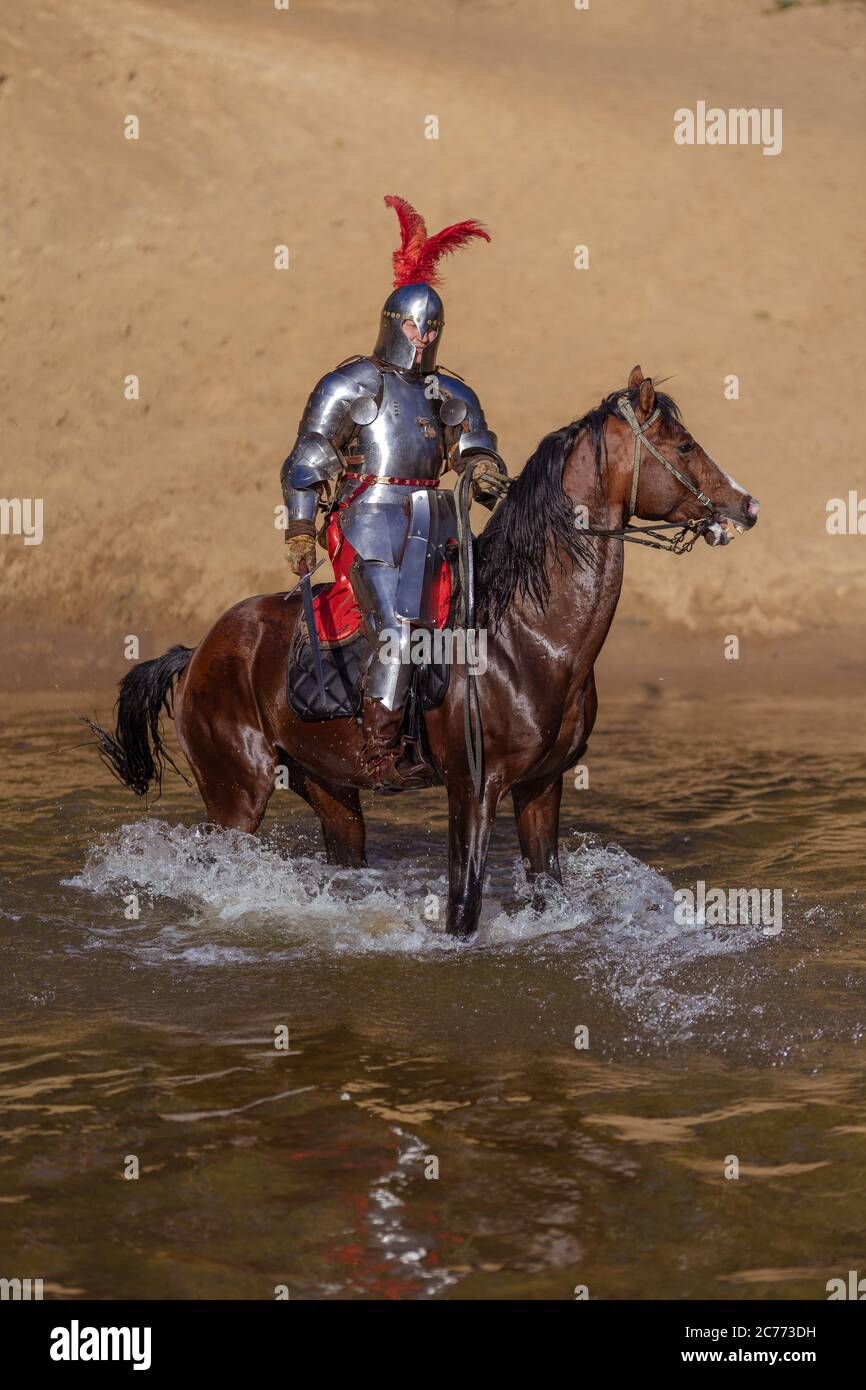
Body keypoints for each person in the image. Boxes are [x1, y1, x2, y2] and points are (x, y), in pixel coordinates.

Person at [280, 195, 506, 787]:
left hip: (436, 519)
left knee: (478, 623)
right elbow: (309, 458)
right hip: (366, 516)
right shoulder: (351, 382)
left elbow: (471, 443)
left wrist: (481, 469)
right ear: (391, 322)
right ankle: (380, 753)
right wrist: (301, 527)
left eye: (432, 326)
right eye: (413, 324)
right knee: (401, 629)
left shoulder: (449, 390)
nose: (423, 335)